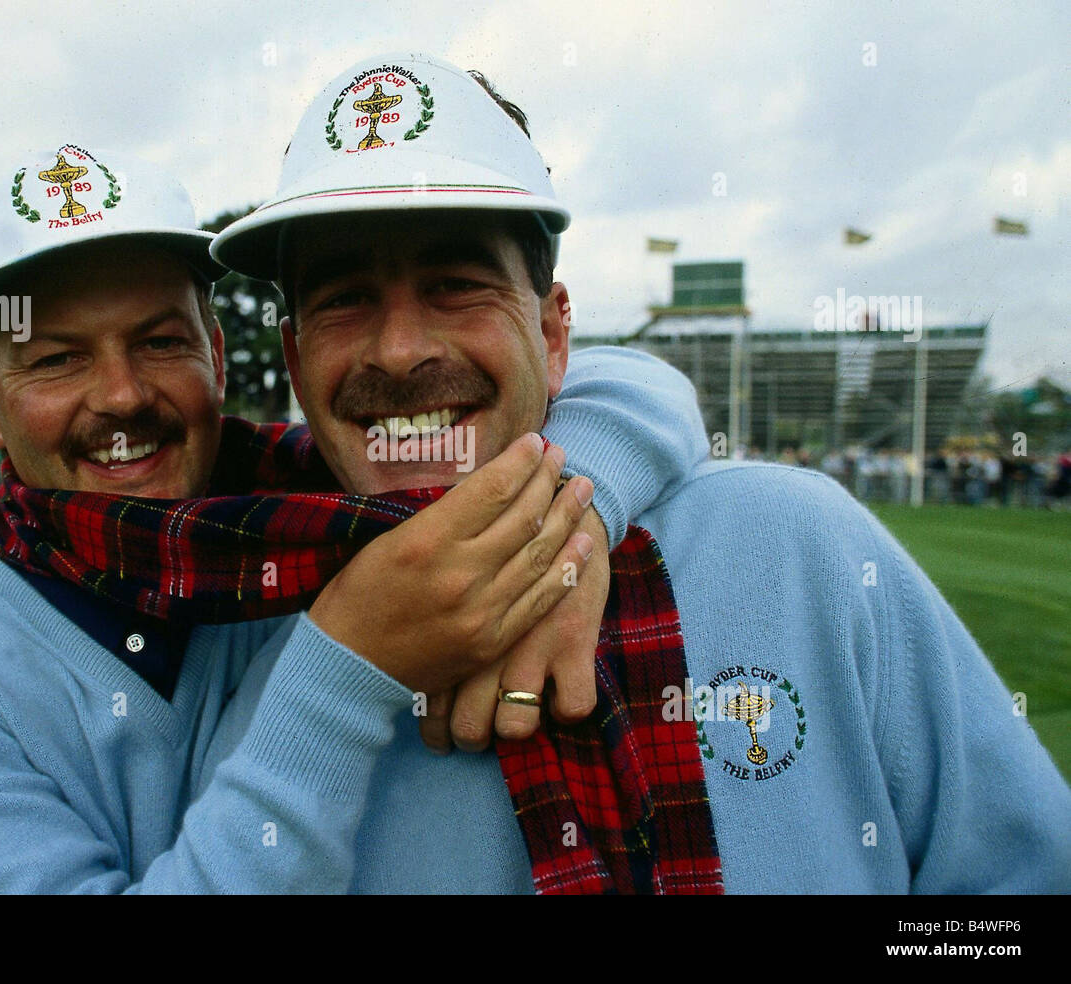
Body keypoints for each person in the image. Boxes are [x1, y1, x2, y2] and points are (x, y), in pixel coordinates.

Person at [199, 53, 1071, 892]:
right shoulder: (244, 644)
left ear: (552, 332)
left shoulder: (804, 548)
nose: (399, 350)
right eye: (343, 299)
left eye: (456, 283)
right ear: (293, 353)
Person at [0, 142, 707, 892]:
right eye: (59, 359)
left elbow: (619, 384)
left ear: (219, 358)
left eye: (160, 342)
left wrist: (557, 520)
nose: (120, 395)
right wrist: (345, 664)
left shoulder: (307, 515)